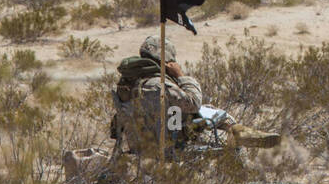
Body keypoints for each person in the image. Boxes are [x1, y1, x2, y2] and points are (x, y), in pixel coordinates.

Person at [111, 36, 279, 158]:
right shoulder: (159, 84)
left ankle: (242, 133)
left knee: (207, 110)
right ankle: (240, 140)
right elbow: (193, 103)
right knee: (221, 127)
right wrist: (181, 76)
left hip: (140, 145)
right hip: (169, 147)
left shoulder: (128, 83)